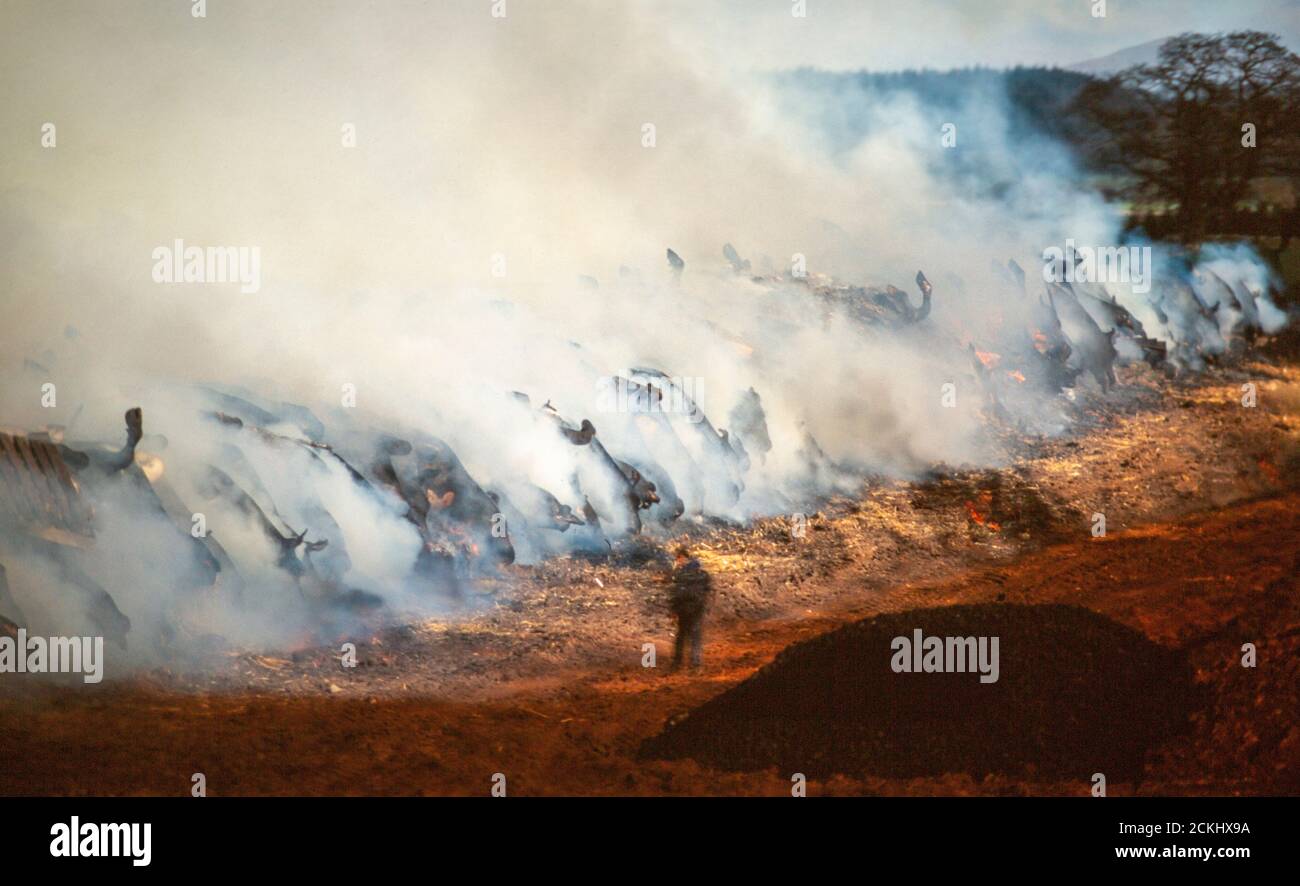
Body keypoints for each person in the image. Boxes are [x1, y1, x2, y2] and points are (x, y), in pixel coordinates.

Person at [668, 545, 712, 671]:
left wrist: (673, 609)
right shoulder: (703, 574)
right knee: (695, 635)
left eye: (678, 558)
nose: (677, 561)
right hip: (697, 608)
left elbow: (677, 593)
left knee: (682, 636)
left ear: (683, 557)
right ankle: (695, 664)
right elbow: (707, 591)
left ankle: (677, 663)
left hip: (685, 608)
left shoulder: (680, 575)